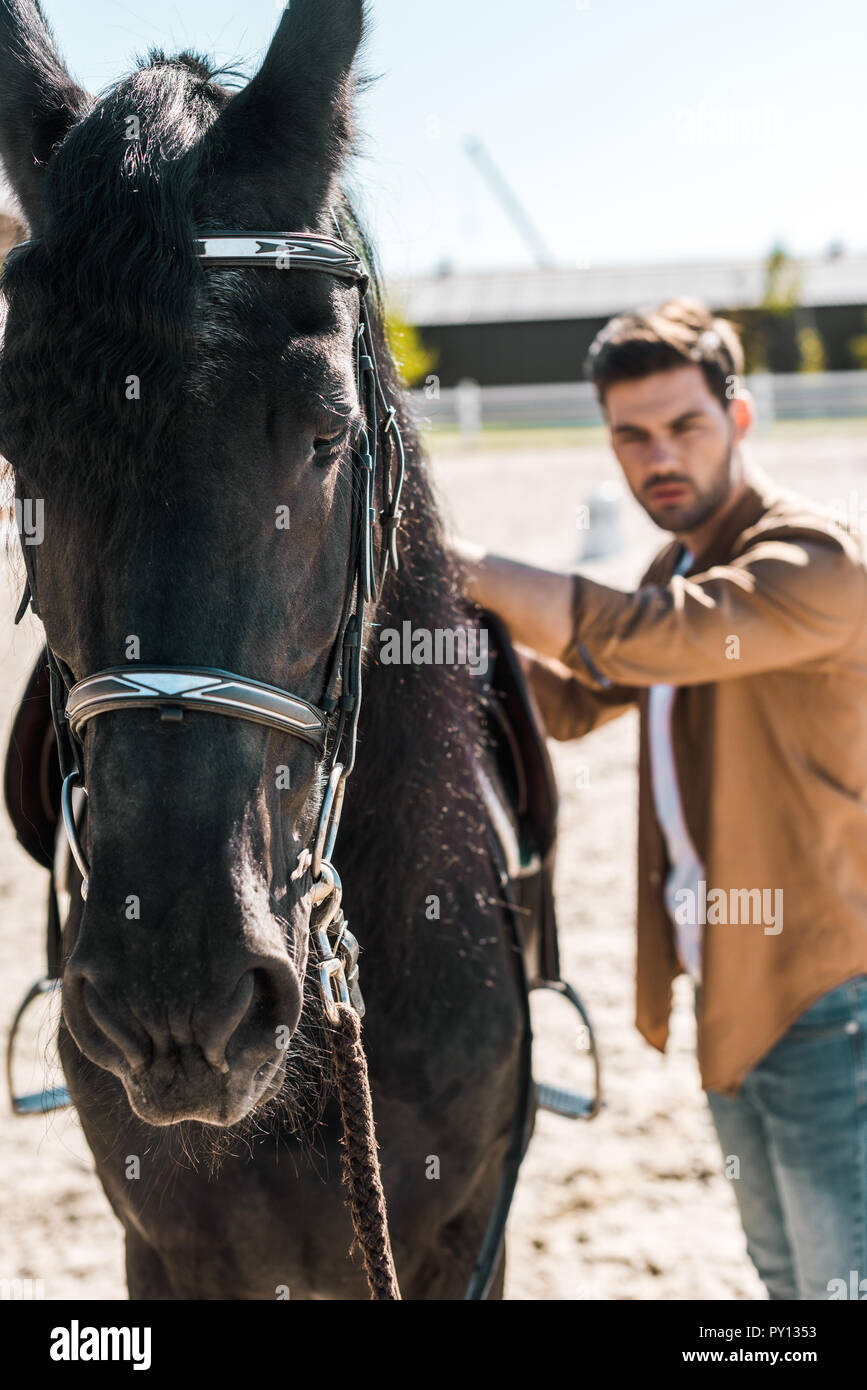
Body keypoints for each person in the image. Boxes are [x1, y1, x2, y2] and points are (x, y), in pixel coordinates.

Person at [457, 298, 867, 1301]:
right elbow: (571, 699)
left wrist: (461, 568)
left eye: (684, 425)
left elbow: (648, 637)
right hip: (723, 980)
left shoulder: (818, 562)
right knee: (784, 1277)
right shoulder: (679, 563)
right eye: (630, 435)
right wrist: (445, 638)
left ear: (741, 418)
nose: (658, 457)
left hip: (829, 992)